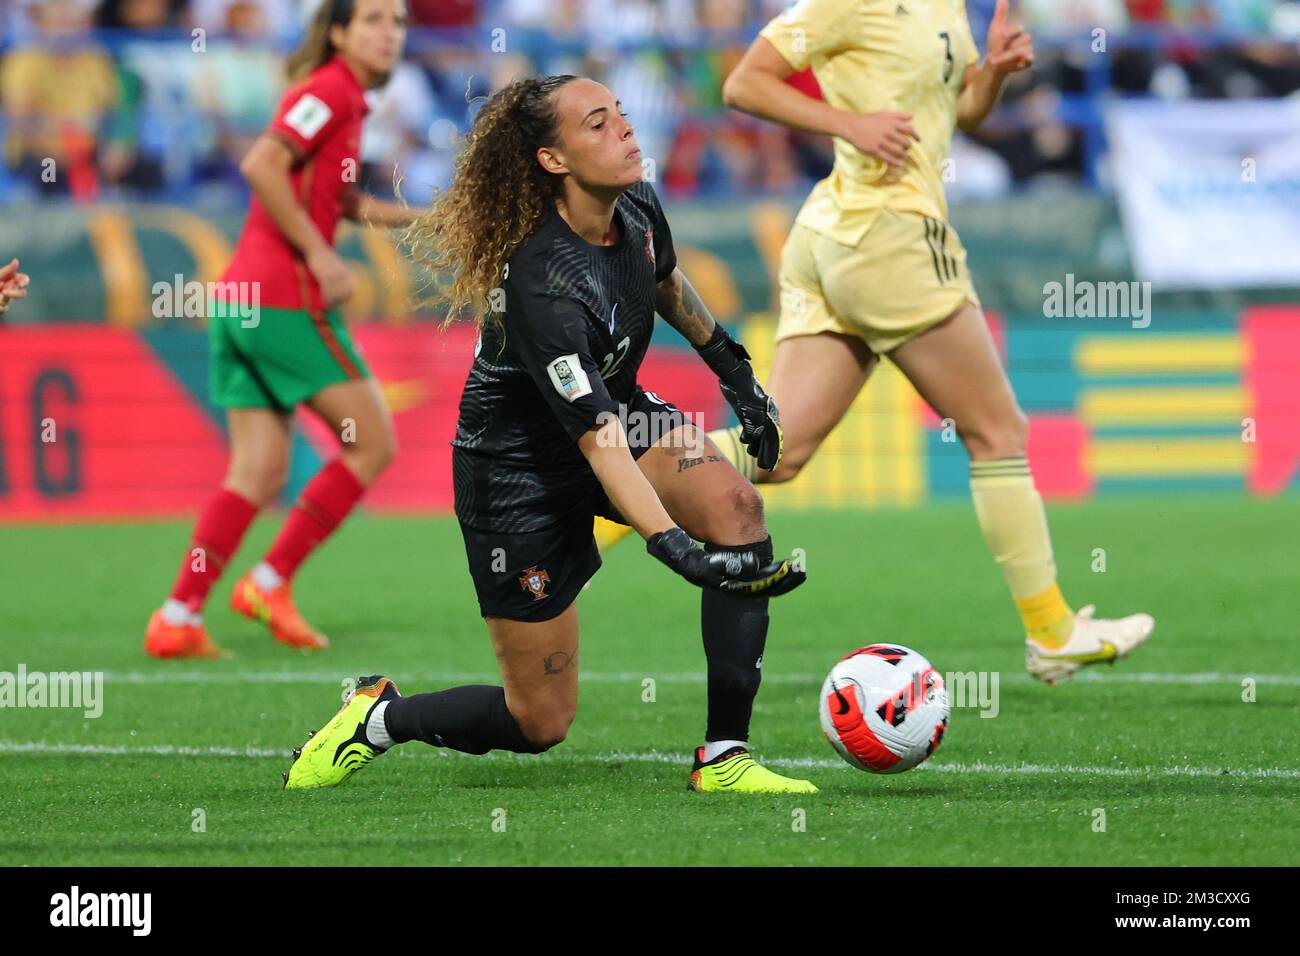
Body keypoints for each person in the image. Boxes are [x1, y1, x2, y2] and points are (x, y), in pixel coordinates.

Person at [284, 75, 818, 794]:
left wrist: (734, 369)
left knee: (739, 510)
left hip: (620, 412)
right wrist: (679, 551)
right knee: (539, 722)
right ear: (553, 161)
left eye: (621, 115)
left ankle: (725, 757)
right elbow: (597, 444)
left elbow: (662, 281)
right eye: (598, 125)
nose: (625, 131)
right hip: (517, 476)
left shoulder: (633, 199)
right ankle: (380, 719)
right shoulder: (539, 282)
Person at [596, 0, 1153, 685]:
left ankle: (600, 508)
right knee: (998, 431)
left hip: (839, 236)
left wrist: (995, 74)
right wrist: (848, 124)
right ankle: (1051, 630)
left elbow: (956, 115)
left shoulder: (947, 8)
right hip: (887, 237)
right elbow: (745, 83)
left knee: (783, 446)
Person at [144, 0, 421, 658]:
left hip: (240, 301)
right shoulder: (330, 89)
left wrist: (423, 219)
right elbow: (263, 164)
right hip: (280, 302)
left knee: (257, 472)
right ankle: (269, 582)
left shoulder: (341, 99)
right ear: (338, 32)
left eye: (399, 21)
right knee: (373, 443)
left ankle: (178, 614)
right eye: (374, 19)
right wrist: (322, 256)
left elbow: (337, 197)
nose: (390, 33)